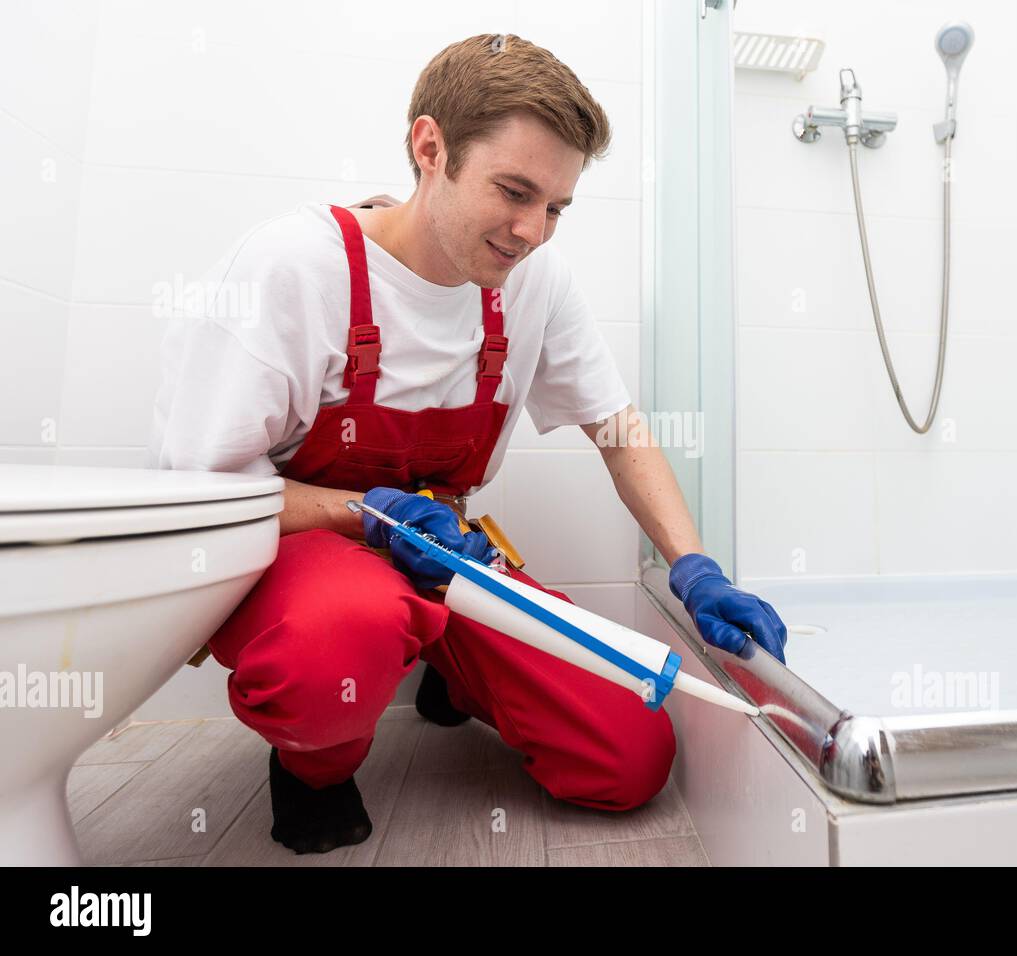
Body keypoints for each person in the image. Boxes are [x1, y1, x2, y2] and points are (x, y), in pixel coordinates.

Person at [150, 33, 787, 855]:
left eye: (556, 207)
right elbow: (198, 491)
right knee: (336, 647)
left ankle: (450, 665)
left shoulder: (532, 286)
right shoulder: (297, 267)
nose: (532, 232)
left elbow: (619, 428)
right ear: (430, 148)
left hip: (443, 554)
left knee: (630, 752)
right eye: (514, 191)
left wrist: (693, 565)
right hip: (307, 549)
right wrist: (363, 513)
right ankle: (315, 767)